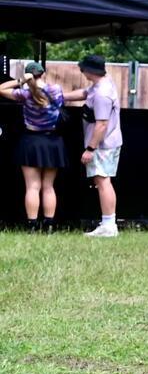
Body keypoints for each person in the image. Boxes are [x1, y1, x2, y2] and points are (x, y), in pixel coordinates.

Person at [2, 62, 64, 232]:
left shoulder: (25, 94)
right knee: (48, 187)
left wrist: (21, 80)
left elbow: (1, 88)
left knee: (32, 187)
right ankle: (49, 225)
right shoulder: (56, 90)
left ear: (29, 75)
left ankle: (32, 226)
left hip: (31, 142)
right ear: (43, 74)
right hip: (52, 142)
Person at [75, 54, 123, 237]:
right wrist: (58, 96)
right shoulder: (102, 84)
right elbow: (84, 93)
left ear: (89, 71)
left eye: (83, 69)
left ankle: (109, 225)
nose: (82, 72)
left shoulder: (102, 94)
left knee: (103, 180)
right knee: (102, 180)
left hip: (102, 145)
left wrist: (90, 149)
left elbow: (101, 124)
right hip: (107, 142)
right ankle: (108, 223)